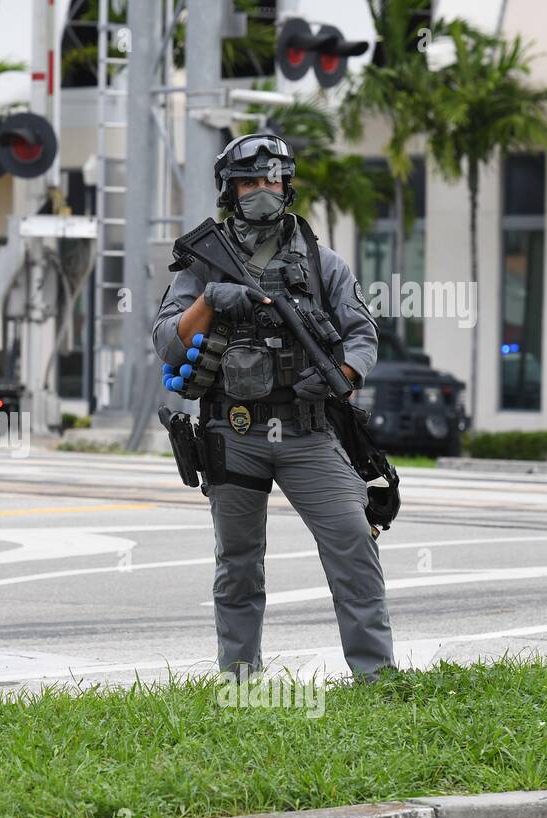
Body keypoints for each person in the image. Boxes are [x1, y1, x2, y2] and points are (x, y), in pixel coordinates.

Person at [151, 133, 396, 681]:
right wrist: (210, 301)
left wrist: (343, 375)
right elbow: (168, 341)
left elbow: (363, 334)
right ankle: (238, 679)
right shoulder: (202, 261)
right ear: (229, 189)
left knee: (354, 546)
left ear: (287, 186)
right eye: (249, 181)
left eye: (273, 179)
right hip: (232, 431)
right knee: (238, 566)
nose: (263, 190)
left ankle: (376, 679)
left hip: (308, 432)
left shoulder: (318, 258)